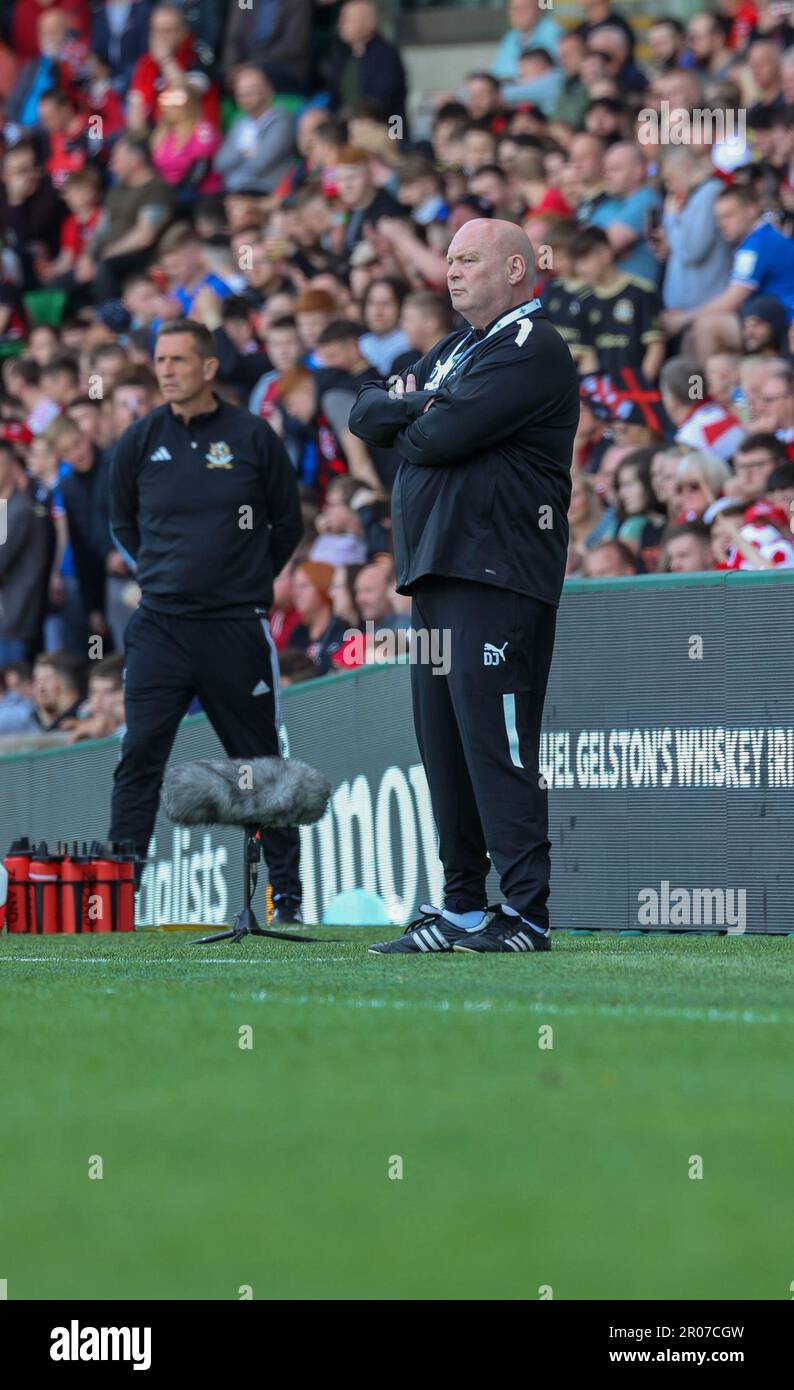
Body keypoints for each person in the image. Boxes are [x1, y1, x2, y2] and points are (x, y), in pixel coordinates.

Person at [350, 218, 579, 955]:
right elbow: (364, 411)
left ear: (516, 269)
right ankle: (462, 909)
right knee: (443, 746)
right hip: (438, 570)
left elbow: (432, 438)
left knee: (496, 743)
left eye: (467, 260)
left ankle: (526, 914)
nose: (450, 272)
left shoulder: (532, 347)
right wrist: (418, 409)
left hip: (498, 571)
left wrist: (413, 415)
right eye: (447, 259)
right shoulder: (456, 350)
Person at [108, 319, 305, 923]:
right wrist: (167, 576)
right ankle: (118, 902)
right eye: (159, 360)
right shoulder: (140, 440)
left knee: (259, 763)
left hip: (234, 628)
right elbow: (121, 524)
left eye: (178, 360)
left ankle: (288, 902)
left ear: (210, 367)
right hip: (160, 628)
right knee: (139, 756)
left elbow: (287, 524)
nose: (165, 369)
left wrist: (240, 581)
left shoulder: (252, 436)